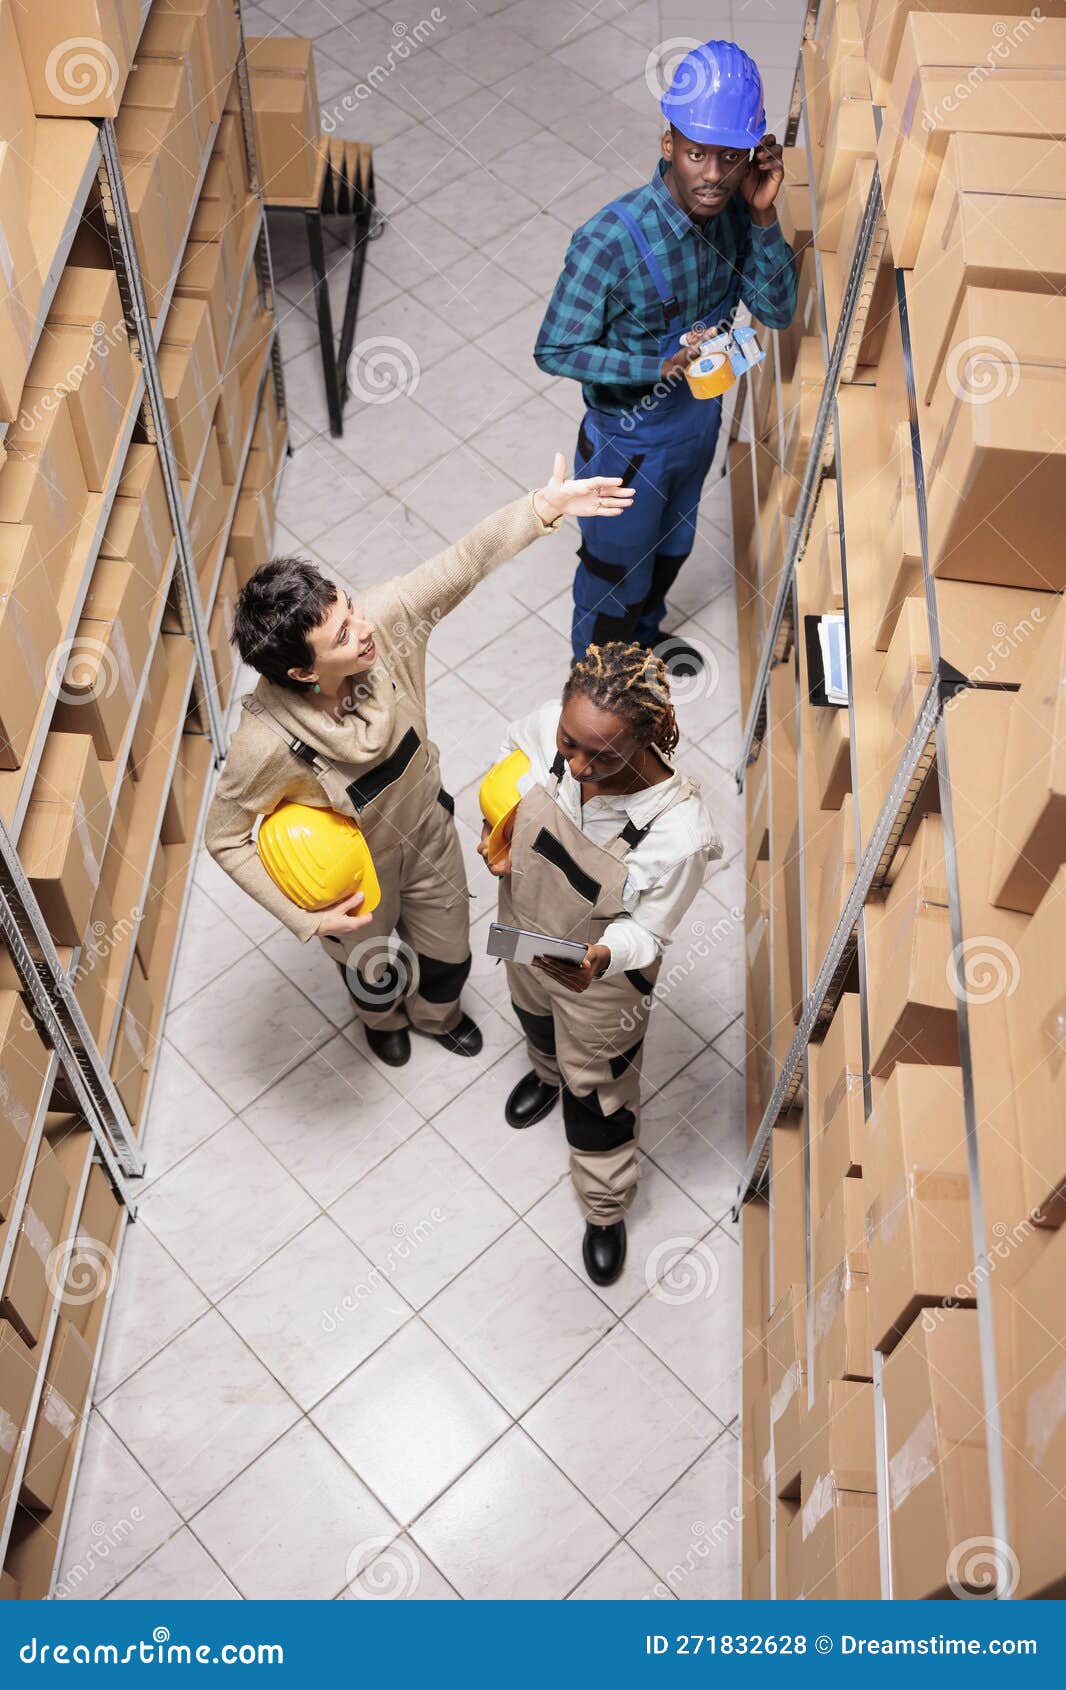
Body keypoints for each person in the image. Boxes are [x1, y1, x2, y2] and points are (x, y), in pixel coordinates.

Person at [205, 457, 634, 1070]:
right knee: (371, 970)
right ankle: (381, 1023)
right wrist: (304, 917)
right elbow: (223, 839)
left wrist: (542, 507)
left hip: (428, 834)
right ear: (301, 672)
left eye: (349, 608)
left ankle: (439, 1017)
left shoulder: (384, 623)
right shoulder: (264, 744)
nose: (363, 629)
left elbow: (463, 563)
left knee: (448, 955)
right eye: (342, 636)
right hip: (358, 877)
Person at [534, 39, 797, 670]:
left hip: (697, 423)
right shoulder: (610, 241)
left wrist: (764, 218)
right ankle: (597, 686)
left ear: (751, 158)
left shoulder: (738, 214)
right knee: (615, 570)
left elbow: (778, 311)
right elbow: (554, 348)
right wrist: (653, 367)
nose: (712, 176)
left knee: (672, 547)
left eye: (730, 158)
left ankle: (643, 642)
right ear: (668, 144)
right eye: (696, 153)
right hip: (630, 444)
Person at [478, 641, 721, 1286]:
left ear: (645, 741)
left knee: (599, 1094)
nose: (580, 767)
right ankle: (544, 1073)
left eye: (604, 756)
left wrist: (604, 956)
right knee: (532, 1015)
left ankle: (605, 1205)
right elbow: (512, 752)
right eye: (570, 744)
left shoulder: (679, 832)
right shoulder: (551, 729)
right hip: (523, 930)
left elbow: (650, 930)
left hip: (599, 975)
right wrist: (500, 829)